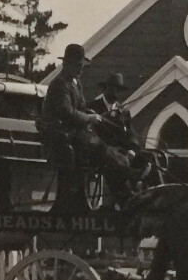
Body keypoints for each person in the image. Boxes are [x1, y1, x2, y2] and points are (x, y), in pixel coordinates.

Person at [41, 44, 138, 204]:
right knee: (106, 153)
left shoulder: (76, 83)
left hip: (78, 134)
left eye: (82, 66)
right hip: (64, 135)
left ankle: (125, 188)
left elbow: (81, 107)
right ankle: (125, 195)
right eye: (78, 66)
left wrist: (91, 113)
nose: (81, 70)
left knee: (111, 152)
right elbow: (67, 113)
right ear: (66, 64)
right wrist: (90, 119)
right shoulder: (59, 84)